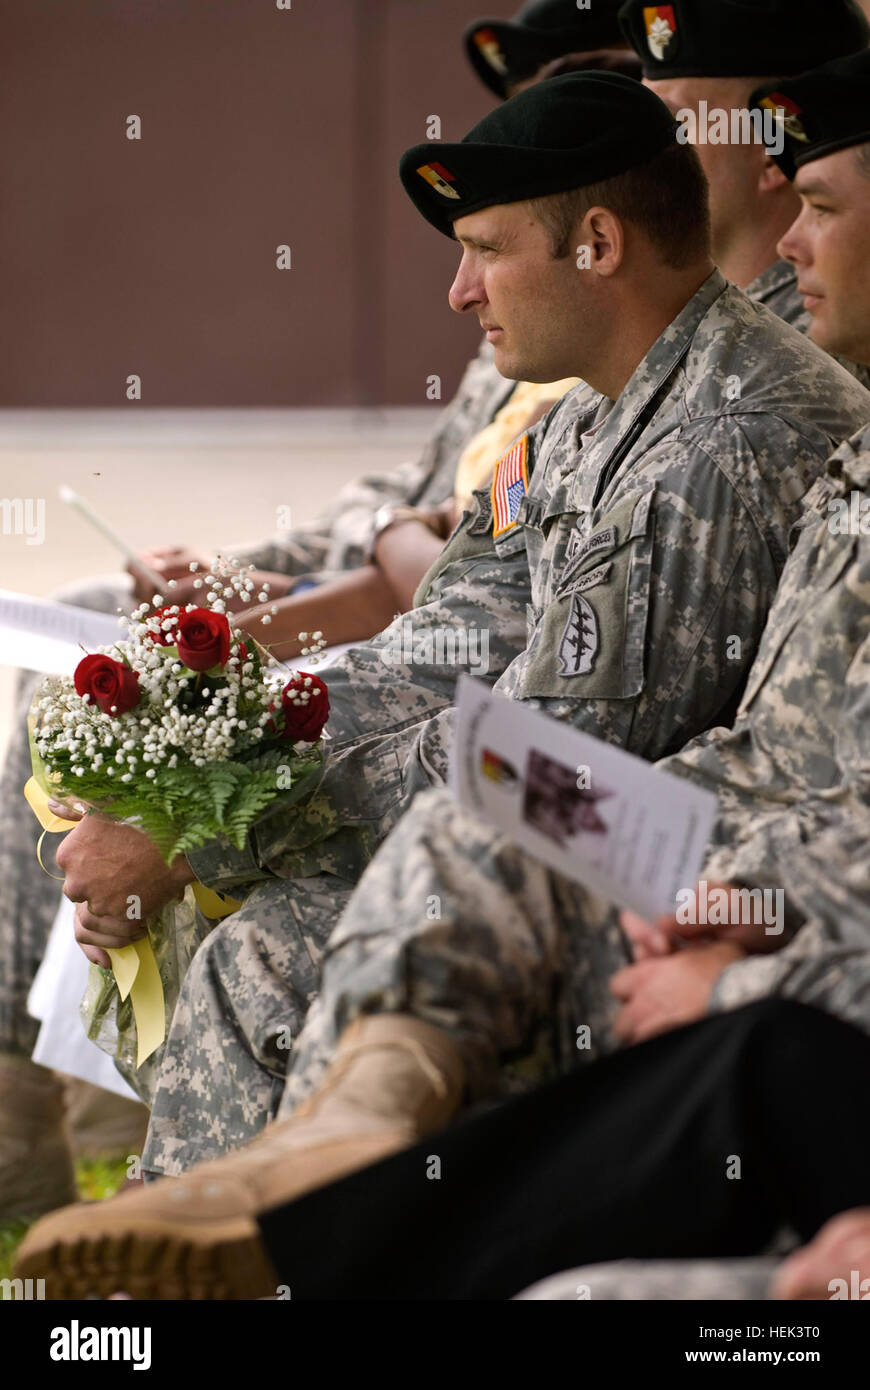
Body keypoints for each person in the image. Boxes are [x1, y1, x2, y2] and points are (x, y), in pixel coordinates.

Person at [15, 47, 870, 1299]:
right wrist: (198, 790)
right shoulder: (587, 413)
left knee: (318, 918)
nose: (460, 290)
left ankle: (289, 1222)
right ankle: (255, 1204)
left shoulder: (732, 434)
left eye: (487, 249)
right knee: (361, 871)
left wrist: (208, 840)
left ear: (596, 246)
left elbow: (562, 757)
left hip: (711, 866)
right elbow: (441, 647)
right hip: (705, 841)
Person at [0, 0, 625, 1222]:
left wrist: (192, 815)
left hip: (535, 799)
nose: (460, 285)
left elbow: (504, 667)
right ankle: (58, 1125)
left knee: (261, 907)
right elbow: (407, 525)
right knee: (75, 675)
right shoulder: (555, 348)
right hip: (435, 704)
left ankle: (161, 1201)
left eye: (583, 87)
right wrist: (248, 588)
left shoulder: (678, 387)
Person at [618, 0, 870, 385]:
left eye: (672, 123)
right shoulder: (677, 325)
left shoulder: (821, 348)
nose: (636, 152)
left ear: (769, 150)